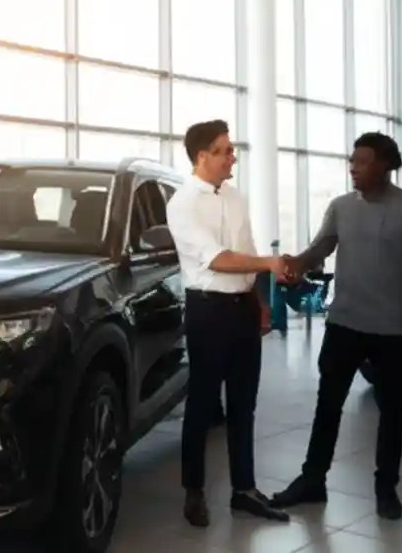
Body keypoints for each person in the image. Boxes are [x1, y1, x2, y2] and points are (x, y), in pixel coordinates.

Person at [269, 132, 402, 521]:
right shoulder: (341, 207)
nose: (353, 168)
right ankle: (313, 480)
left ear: (385, 165)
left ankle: (385, 489)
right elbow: (319, 249)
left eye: (361, 161)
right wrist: (293, 264)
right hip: (345, 322)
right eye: (352, 160)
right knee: (328, 404)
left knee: (392, 412)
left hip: (395, 329)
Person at [165, 119, 291, 528]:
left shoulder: (235, 197)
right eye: (225, 150)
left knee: (244, 404)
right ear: (203, 156)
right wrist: (271, 264)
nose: (233, 156)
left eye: (232, 149)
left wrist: (259, 300)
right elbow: (217, 258)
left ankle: (244, 490)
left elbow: (245, 250)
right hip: (207, 310)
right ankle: (194, 492)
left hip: (241, 308)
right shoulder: (182, 203)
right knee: (202, 405)